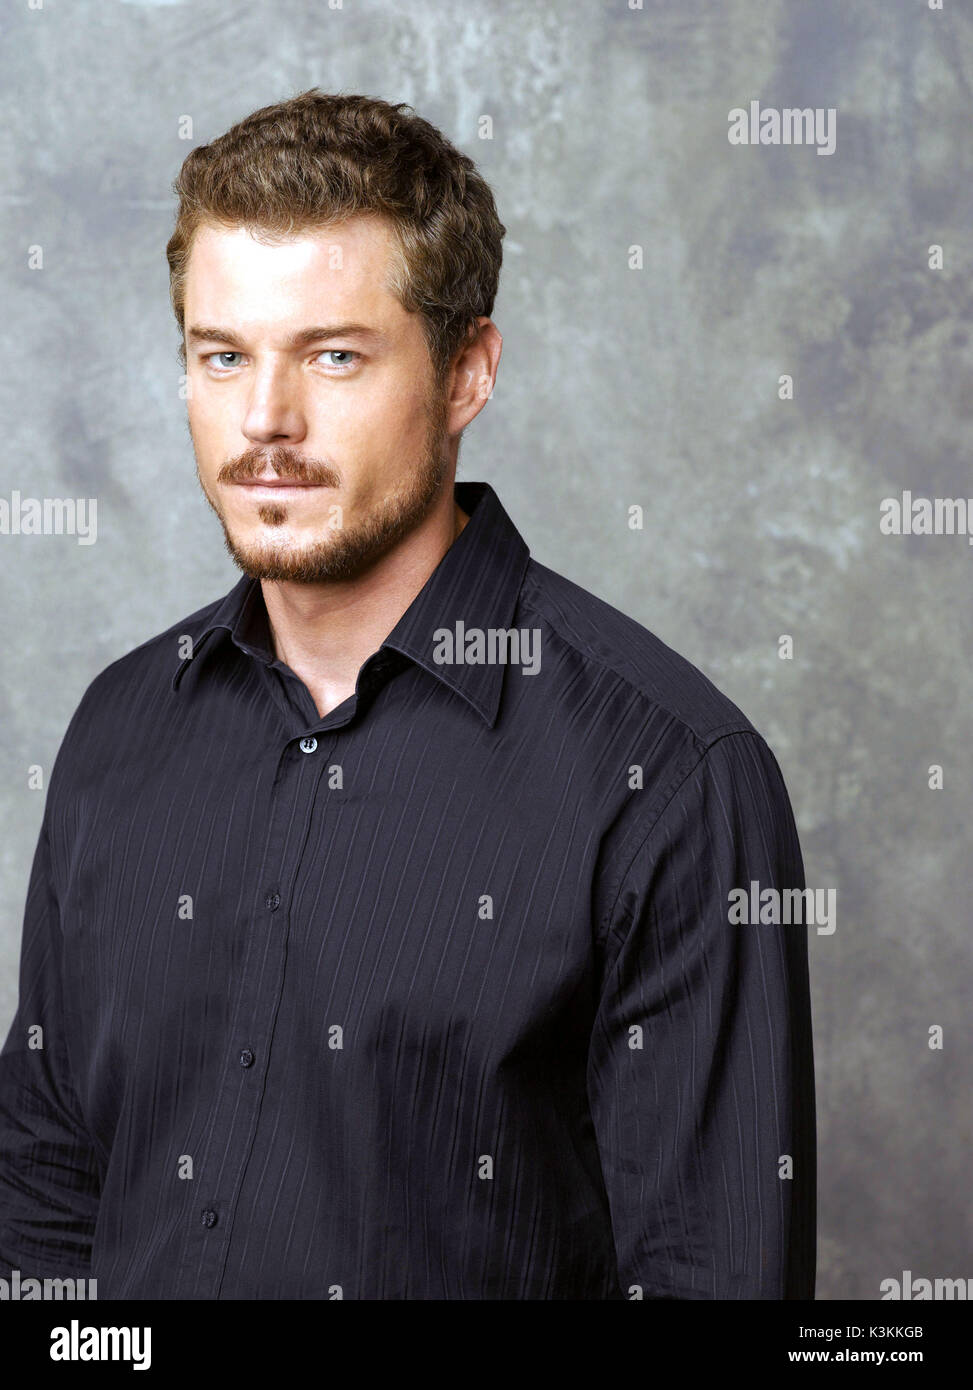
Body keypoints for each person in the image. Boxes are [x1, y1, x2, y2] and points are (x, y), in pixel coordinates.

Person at [0, 89, 815, 1300]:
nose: (265, 421)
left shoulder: (670, 777)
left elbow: (716, 1278)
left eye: (333, 355)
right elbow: (46, 1202)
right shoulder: (119, 727)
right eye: (223, 356)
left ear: (466, 372)